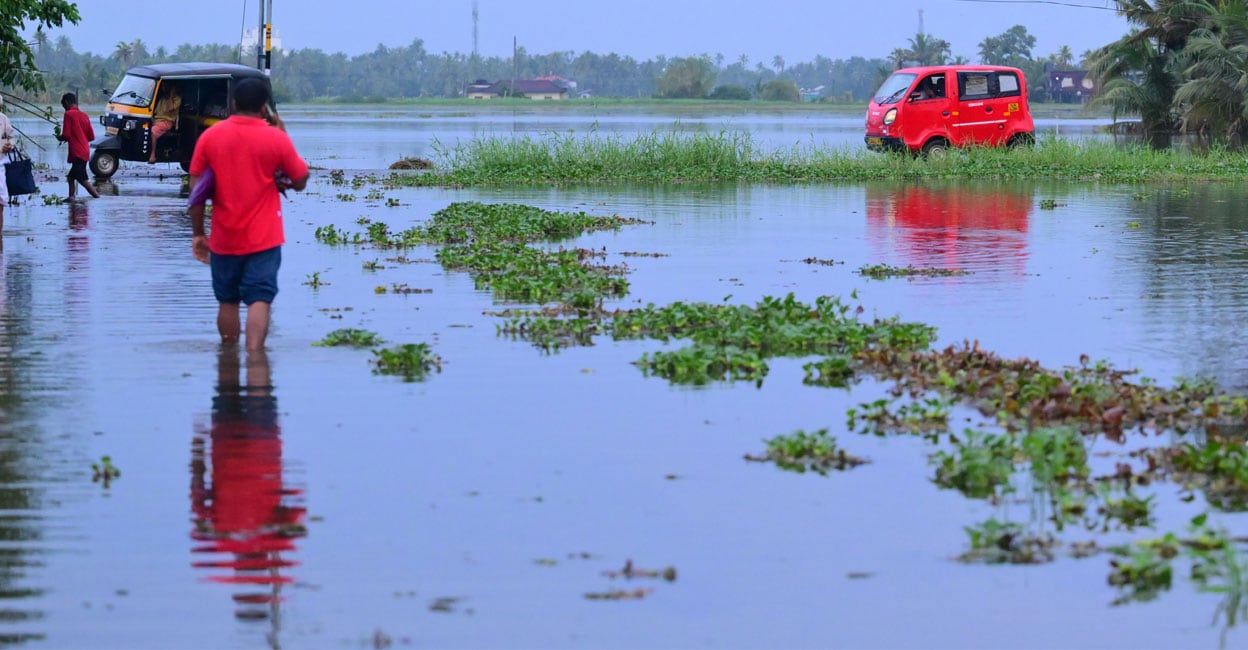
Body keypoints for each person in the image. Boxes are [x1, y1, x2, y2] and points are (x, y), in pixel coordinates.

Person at [190, 77, 308, 351]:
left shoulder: (210, 137)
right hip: (264, 238)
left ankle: (228, 357)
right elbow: (300, 180)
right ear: (264, 106)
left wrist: (198, 234)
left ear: (233, 104)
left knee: (227, 300)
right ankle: (256, 358)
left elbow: (196, 195)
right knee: (259, 299)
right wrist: (283, 135)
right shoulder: (275, 138)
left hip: (224, 237)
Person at [55, 93, 101, 200]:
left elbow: (66, 135)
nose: (64, 109)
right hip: (85, 150)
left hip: (77, 151)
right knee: (71, 177)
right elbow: (91, 137)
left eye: (63, 106)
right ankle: (71, 197)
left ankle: (97, 196)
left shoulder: (68, 114)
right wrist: (78, 136)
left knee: (81, 178)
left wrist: (60, 138)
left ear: (66, 102)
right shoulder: (84, 115)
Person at [149, 83, 181, 164]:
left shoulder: (177, 99)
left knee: (153, 131)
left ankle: (152, 154)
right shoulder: (162, 98)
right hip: (157, 120)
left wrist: (171, 96)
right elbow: (156, 112)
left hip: (167, 121)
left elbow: (170, 108)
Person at [0, 95, 15, 234]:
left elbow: (11, 136)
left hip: (0, 164)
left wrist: (9, 145)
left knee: (1, 200)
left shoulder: (3, 119)